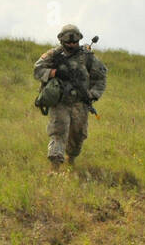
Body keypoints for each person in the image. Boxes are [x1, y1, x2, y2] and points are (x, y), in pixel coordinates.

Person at [33, 24, 107, 171]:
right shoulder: (53, 55)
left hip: (80, 103)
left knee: (78, 137)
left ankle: (71, 160)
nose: (72, 45)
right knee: (58, 133)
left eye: (75, 42)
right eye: (69, 42)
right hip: (60, 102)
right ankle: (54, 168)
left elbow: (100, 77)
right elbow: (37, 70)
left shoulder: (87, 57)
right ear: (61, 40)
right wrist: (55, 73)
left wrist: (92, 95)